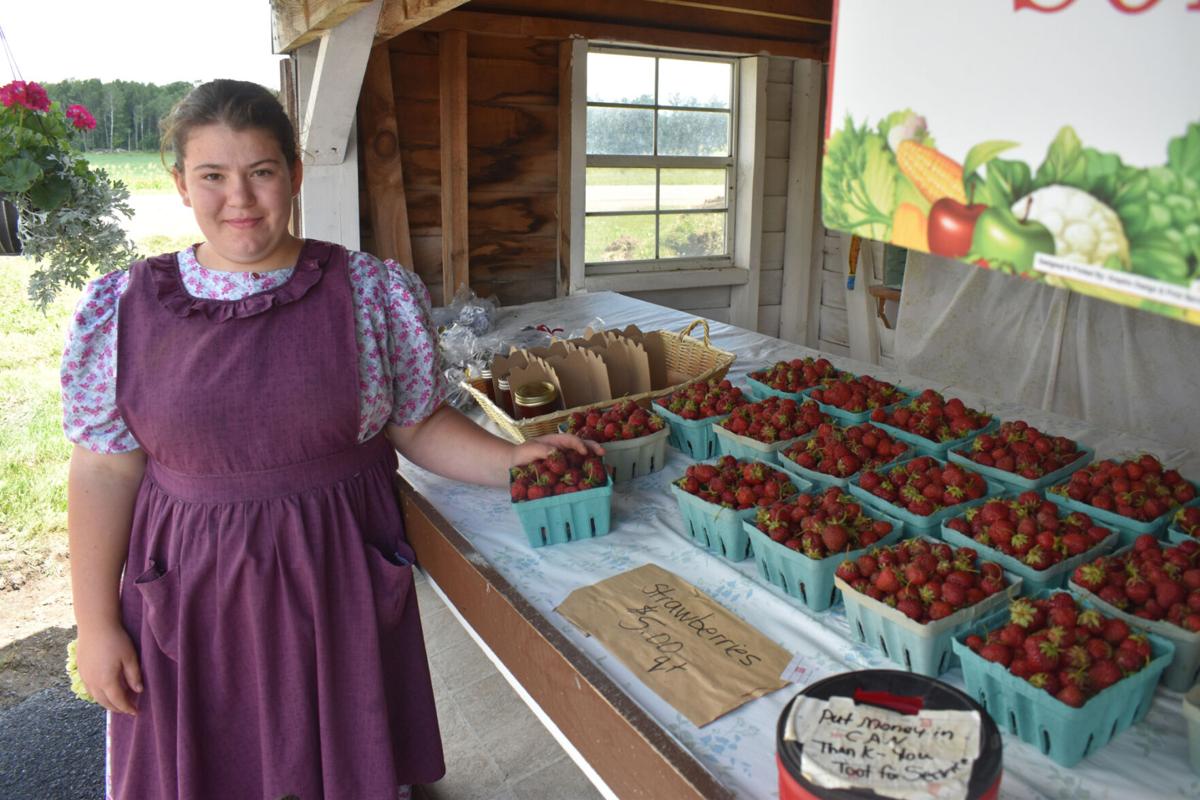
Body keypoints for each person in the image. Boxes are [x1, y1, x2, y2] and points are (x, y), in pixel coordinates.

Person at [62, 78, 597, 800]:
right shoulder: (124, 308)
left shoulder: (370, 291)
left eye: (261, 171)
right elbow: (103, 472)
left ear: (294, 174)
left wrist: (512, 460)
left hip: (337, 576)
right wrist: (95, 624)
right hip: (192, 596)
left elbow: (417, 423)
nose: (240, 198)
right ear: (181, 184)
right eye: (212, 175)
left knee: (344, 765)